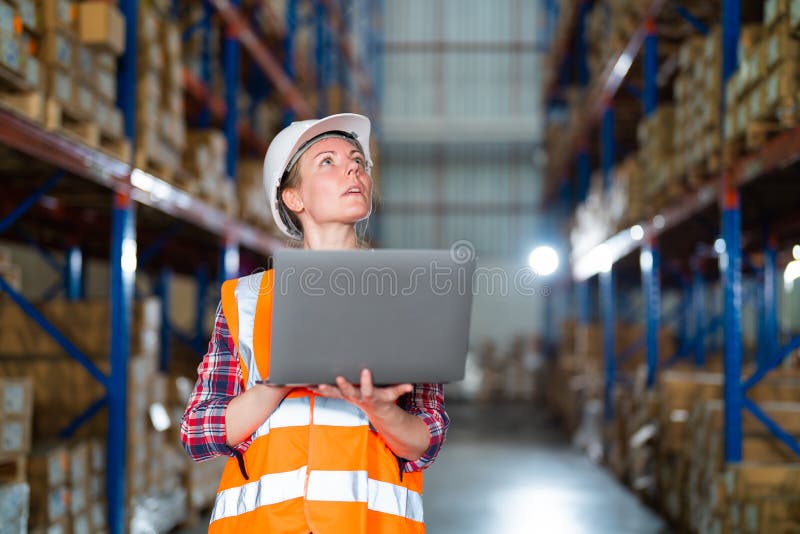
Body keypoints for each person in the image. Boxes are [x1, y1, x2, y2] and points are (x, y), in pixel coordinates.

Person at [180, 113, 449, 533]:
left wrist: (379, 408)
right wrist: (279, 382)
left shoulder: (407, 294)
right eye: (328, 161)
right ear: (294, 198)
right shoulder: (247, 301)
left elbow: (426, 441)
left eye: (358, 160)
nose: (353, 167)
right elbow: (199, 431)